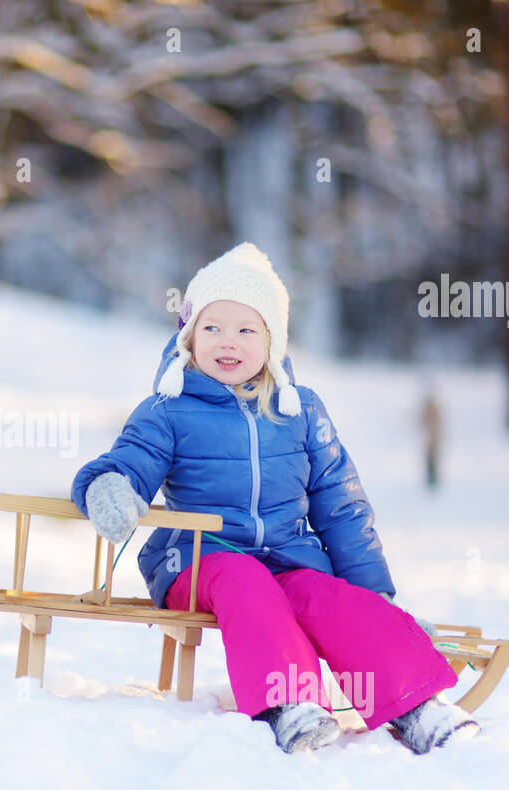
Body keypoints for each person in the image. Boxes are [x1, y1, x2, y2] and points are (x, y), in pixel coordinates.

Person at [70, 242, 479, 755]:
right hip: (199, 561)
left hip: (288, 559)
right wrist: (110, 486)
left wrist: (373, 596)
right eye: (212, 327)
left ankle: (416, 706)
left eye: (247, 330)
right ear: (189, 337)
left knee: (327, 598)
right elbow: (131, 460)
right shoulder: (168, 410)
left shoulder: (300, 411)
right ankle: (288, 703)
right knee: (244, 577)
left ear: (273, 342)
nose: (228, 341)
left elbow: (341, 505)